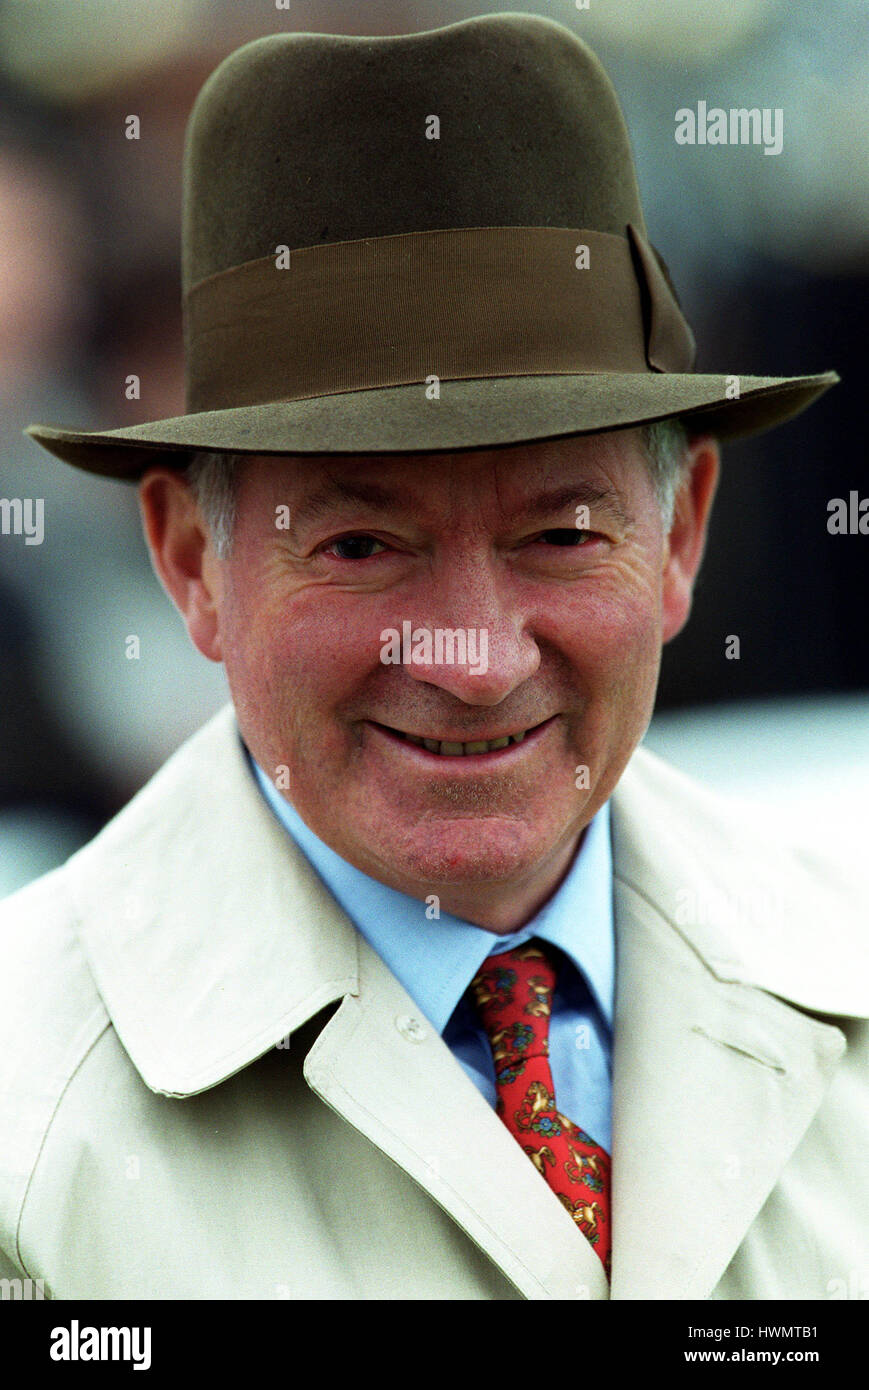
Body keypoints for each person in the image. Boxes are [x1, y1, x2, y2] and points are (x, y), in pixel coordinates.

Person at [1, 13, 864, 1302]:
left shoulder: (843, 969)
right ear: (192, 565)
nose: (473, 655)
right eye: (361, 545)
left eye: (561, 535)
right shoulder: (29, 1126)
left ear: (679, 536)